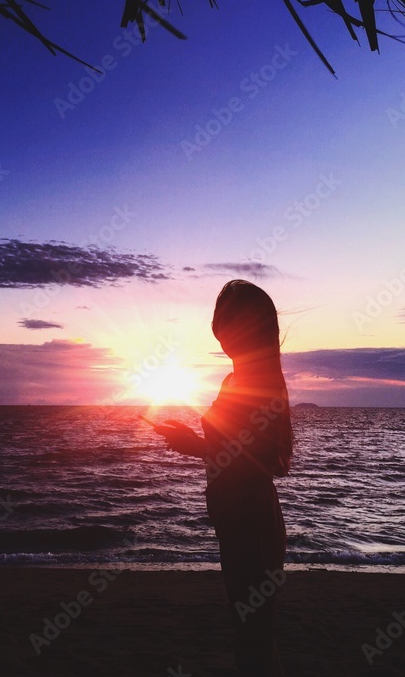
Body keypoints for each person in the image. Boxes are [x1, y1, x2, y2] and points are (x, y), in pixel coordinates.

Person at [156, 279, 292, 676]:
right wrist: (194, 443)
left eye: (232, 323)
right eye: (221, 322)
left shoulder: (260, 383)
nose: (223, 332)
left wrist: (194, 445)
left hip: (253, 519)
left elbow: (264, 461)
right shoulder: (234, 380)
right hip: (234, 517)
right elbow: (237, 451)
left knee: (254, 636)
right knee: (249, 633)